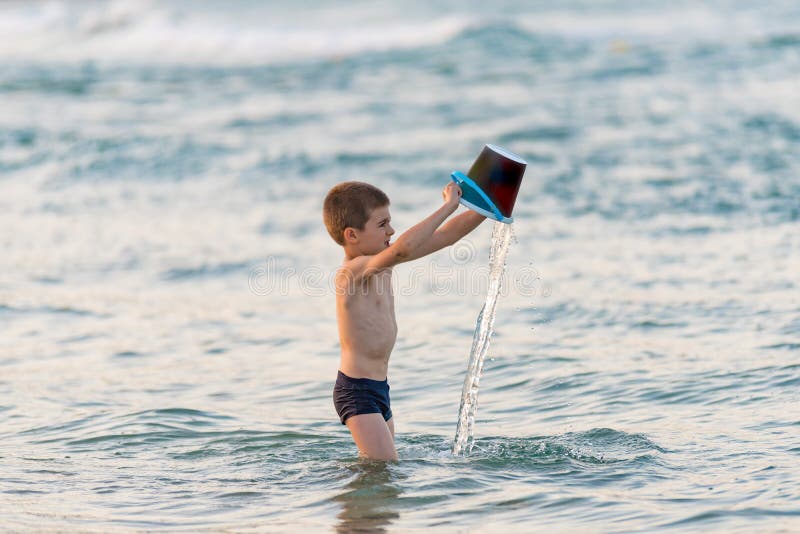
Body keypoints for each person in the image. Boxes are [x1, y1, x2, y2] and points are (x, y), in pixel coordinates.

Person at [323, 180, 487, 460]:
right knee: (383, 466)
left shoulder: (381, 263)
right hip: (357, 391)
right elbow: (402, 249)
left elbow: (446, 237)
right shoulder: (350, 273)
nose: (391, 230)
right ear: (352, 235)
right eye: (382, 224)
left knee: (379, 474)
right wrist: (448, 206)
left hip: (379, 388)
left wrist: (487, 208)